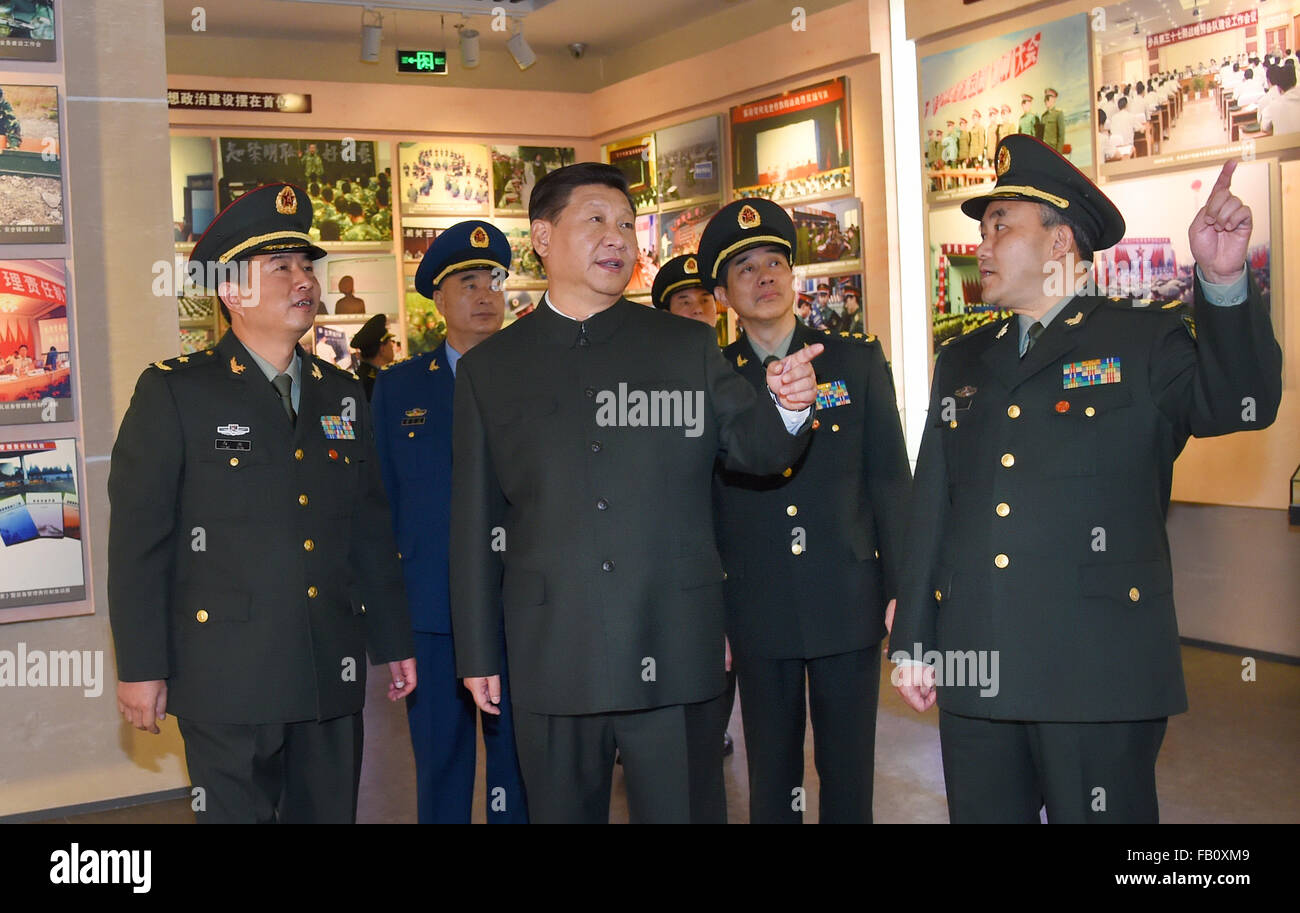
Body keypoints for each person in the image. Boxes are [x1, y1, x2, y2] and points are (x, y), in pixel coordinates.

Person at [890, 136, 1282, 823]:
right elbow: (934, 504)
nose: (979, 245)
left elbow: (1241, 402)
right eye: (980, 229)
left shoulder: (1141, 340)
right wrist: (916, 637)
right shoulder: (963, 360)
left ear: (1060, 240)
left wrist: (1221, 281)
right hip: (979, 668)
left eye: (998, 226)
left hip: (1097, 671)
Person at [449, 162, 822, 824]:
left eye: (626, 223)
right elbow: (475, 522)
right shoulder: (490, 369)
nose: (616, 236)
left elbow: (756, 448)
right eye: (595, 219)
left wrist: (789, 407)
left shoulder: (683, 345)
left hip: (672, 647)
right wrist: (477, 651)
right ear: (542, 235)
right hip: (552, 652)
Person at [108, 183, 417, 823]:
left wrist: (394, 639)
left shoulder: (341, 394)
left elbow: (367, 528)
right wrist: (141, 667)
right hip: (225, 678)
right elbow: (140, 543)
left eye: (307, 265)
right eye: (280, 267)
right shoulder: (177, 393)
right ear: (232, 291)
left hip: (326, 671)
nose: (303, 280)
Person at [703, 200, 911, 824]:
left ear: (794, 276)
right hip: (756, 602)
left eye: (775, 262)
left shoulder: (855, 360)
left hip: (846, 595)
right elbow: (702, 503)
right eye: (745, 267)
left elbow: (889, 480)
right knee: (772, 776)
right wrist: (709, 608)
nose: (765, 276)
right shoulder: (714, 378)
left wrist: (902, 588)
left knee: (848, 772)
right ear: (721, 292)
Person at [372, 221, 529, 824]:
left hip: (519, 610)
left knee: (517, 767)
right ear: (438, 301)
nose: (486, 293)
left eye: (494, 279)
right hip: (433, 616)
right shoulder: (399, 389)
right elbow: (381, 507)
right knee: (440, 764)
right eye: (469, 282)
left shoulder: (534, 379)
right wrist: (392, 627)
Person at [350, 313, 396, 401]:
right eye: (390, 343)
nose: (392, 347)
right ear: (382, 349)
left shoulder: (362, 377)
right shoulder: (377, 382)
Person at [1040, 88, 1065, 153]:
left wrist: (1058, 154)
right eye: (1045, 98)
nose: (1046, 100)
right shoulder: (1043, 116)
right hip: (1044, 150)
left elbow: (1061, 136)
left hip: (1053, 150)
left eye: (1048, 98)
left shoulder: (1058, 114)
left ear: (1054, 99)